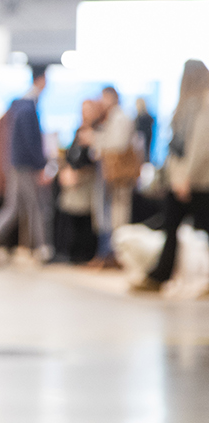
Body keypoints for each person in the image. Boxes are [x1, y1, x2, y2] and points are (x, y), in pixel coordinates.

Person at [135, 60, 209, 292]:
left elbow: (200, 146)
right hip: (179, 179)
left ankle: (161, 275)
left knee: (198, 228)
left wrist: (186, 177)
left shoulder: (204, 103)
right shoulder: (185, 105)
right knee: (171, 227)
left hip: (197, 181)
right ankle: (160, 275)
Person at [0, 66, 51, 262]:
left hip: (16, 164)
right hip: (23, 165)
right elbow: (30, 141)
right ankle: (41, 249)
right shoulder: (27, 108)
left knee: (16, 206)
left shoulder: (19, 106)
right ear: (41, 80)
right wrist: (41, 164)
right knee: (31, 206)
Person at [87, 86, 138, 270]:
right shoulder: (109, 118)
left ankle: (119, 257)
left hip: (121, 174)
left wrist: (96, 139)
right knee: (109, 215)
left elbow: (119, 144)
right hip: (109, 173)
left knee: (119, 215)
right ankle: (109, 255)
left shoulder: (121, 117)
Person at [53, 101, 102, 264]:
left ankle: (82, 254)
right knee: (66, 214)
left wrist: (78, 174)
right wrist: (65, 170)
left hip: (86, 181)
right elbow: (70, 154)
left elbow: (95, 159)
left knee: (83, 218)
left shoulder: (97, 132)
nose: (85, 113)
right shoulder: (78, 131)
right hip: (71, 179)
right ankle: (64, 251)